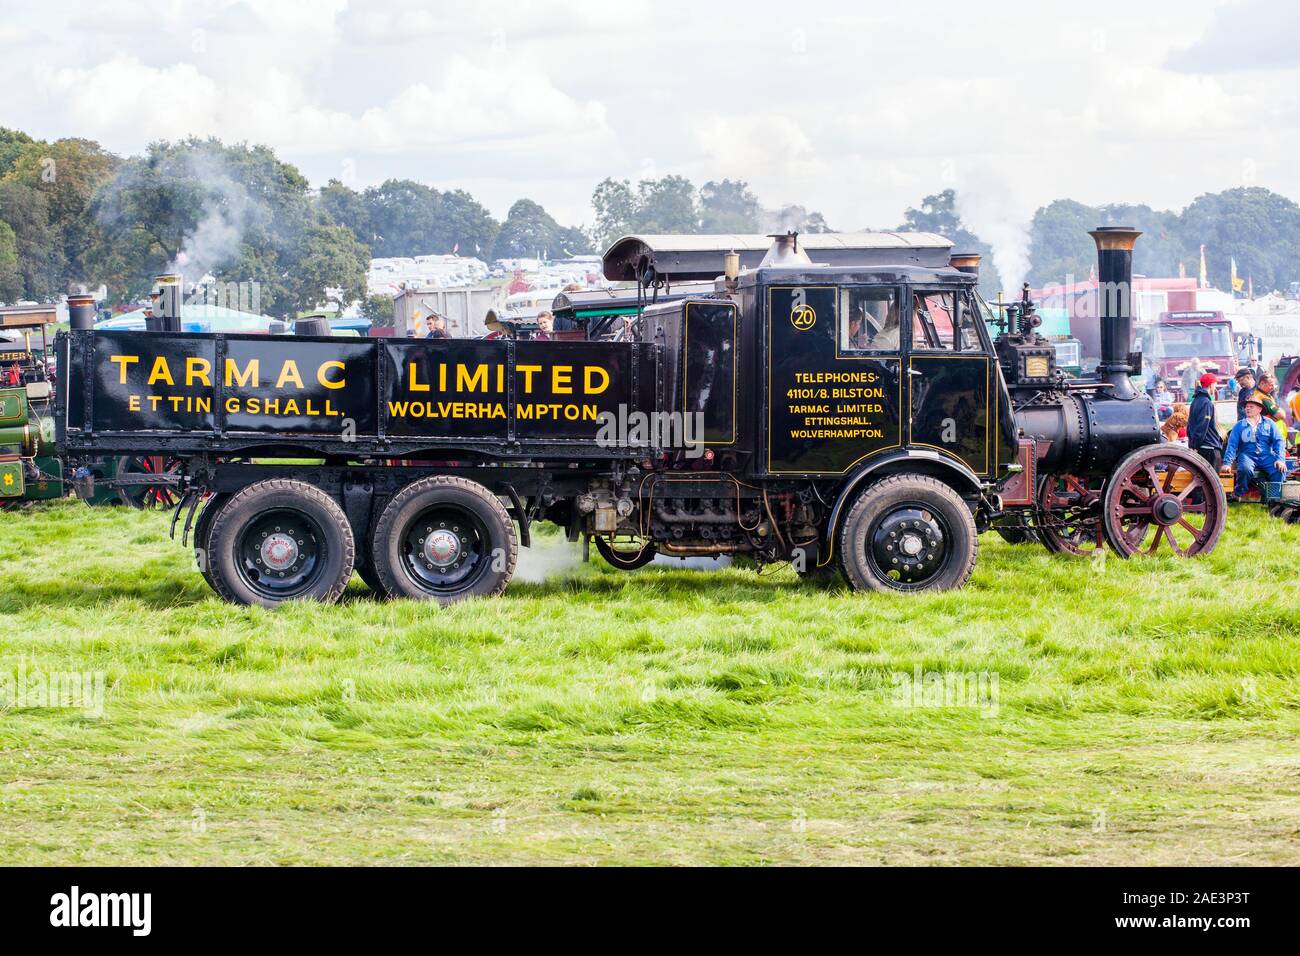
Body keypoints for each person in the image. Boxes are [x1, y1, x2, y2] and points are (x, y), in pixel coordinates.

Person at [1222, 391, 1287, 500]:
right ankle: (1238, 494)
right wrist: (1227, 463)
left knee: (1279, 469)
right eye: (1246, 407)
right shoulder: (1239, 425)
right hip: (1247, 455)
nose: (1247, 409)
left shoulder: (1269, 423)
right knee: (1245, 469)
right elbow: (1232, 445)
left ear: (1259, 409)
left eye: (1251, 407)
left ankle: (1274, 498)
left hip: (1266, 456)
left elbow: (1279, 441)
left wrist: (1280, 459)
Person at [1187, 372, 1223, 472]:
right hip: (1209, 449)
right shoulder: (1206, 403)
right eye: (1215, 384)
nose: (1215, 387)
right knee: (1212, 485)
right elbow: (1202, 427)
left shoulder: (1195, 401)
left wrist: (1193, 445)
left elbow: (1190, 425)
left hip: (1201, 448)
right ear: (1211, 385)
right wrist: (1196, 446)